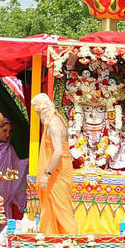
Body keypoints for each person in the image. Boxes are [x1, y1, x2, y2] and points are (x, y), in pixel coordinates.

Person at [31, 95, 77, 235]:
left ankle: (73, 247)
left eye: (36, 111)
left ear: (40, 109)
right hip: (57, 169)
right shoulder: (52, 121)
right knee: (52, 209)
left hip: (59, 171)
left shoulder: (54, 123)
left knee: (63, 210)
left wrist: (46, 174)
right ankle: (53, 245)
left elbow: (57, 152)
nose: (38, 115)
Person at [0, 115, 28, 221]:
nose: (8, 135)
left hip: (5, 198)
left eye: (9, 132)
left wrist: (28, 162)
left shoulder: (9, 149)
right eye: (4, 131)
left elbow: (17, 166)